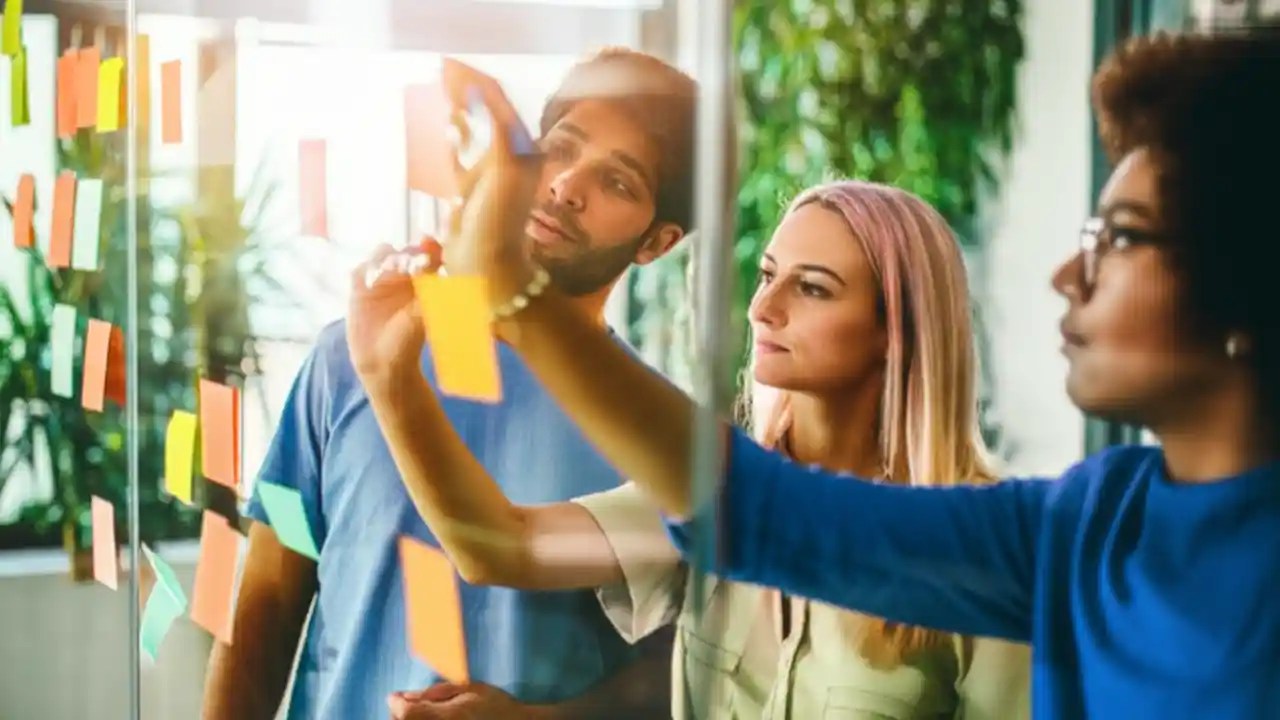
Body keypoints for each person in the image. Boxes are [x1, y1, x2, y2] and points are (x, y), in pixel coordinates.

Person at [382, 27, 1280, 720]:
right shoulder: (1085, 520)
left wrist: (512, 293)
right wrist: (434, 350)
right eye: (768, 277)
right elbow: (751, 514)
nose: (1068, 278)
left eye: (1120, 238)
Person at [353, 179, 1033, 718]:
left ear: (898, 330)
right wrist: (388, 375)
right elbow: (499, 545)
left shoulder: (987, 547)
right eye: (769, 274)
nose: (763, 307)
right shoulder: (712, 491)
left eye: (813, 288)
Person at [202, 47, 698, 720]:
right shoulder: (345, 359)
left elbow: (668, 671)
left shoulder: (648, 431)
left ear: (656, 243)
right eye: (559, 150)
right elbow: (263, 600)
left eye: (617, 183)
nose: (566, 186)